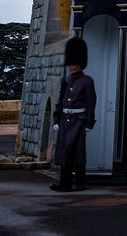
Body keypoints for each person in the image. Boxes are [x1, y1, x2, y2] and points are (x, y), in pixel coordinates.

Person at [51, 36, 97, 192]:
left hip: (79, 120)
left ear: (80, 64)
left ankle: (80, 183)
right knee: (64, 152)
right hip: (65, 120)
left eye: (75, 63)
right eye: (71, 63)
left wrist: (89, 123)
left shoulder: (87, 81)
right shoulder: (67, 80)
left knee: (78, 154)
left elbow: (91, 103)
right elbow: (61, 100)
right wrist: (56, 119)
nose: (73, 66)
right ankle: (64, 183)